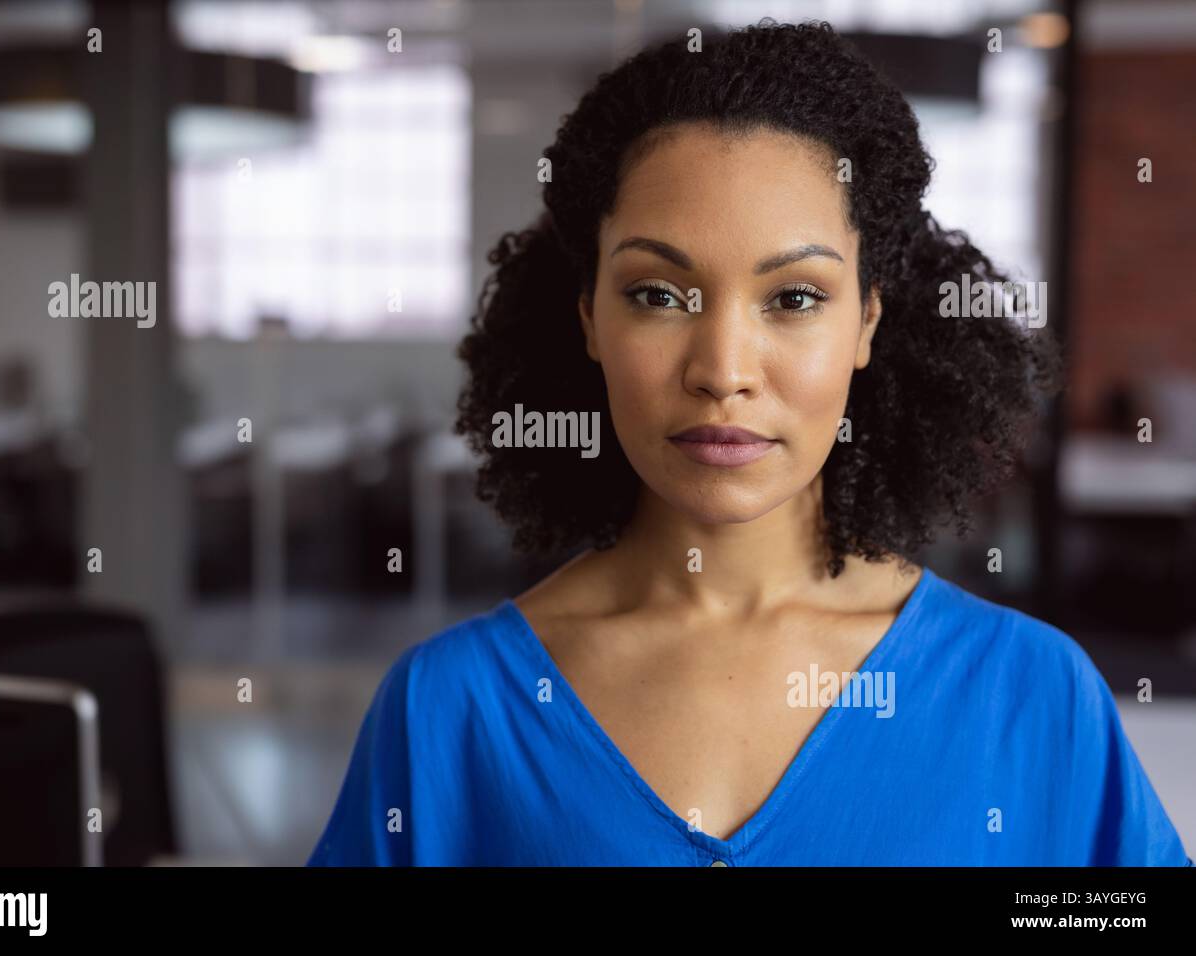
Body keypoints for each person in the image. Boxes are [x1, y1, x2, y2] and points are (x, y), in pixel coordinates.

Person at [307, 20, 1191, 866]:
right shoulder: (448, 711)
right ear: (588, 318)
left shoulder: (1031, 697)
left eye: (795, 299)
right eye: (658, 294)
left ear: (867, 323)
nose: (723, 369)